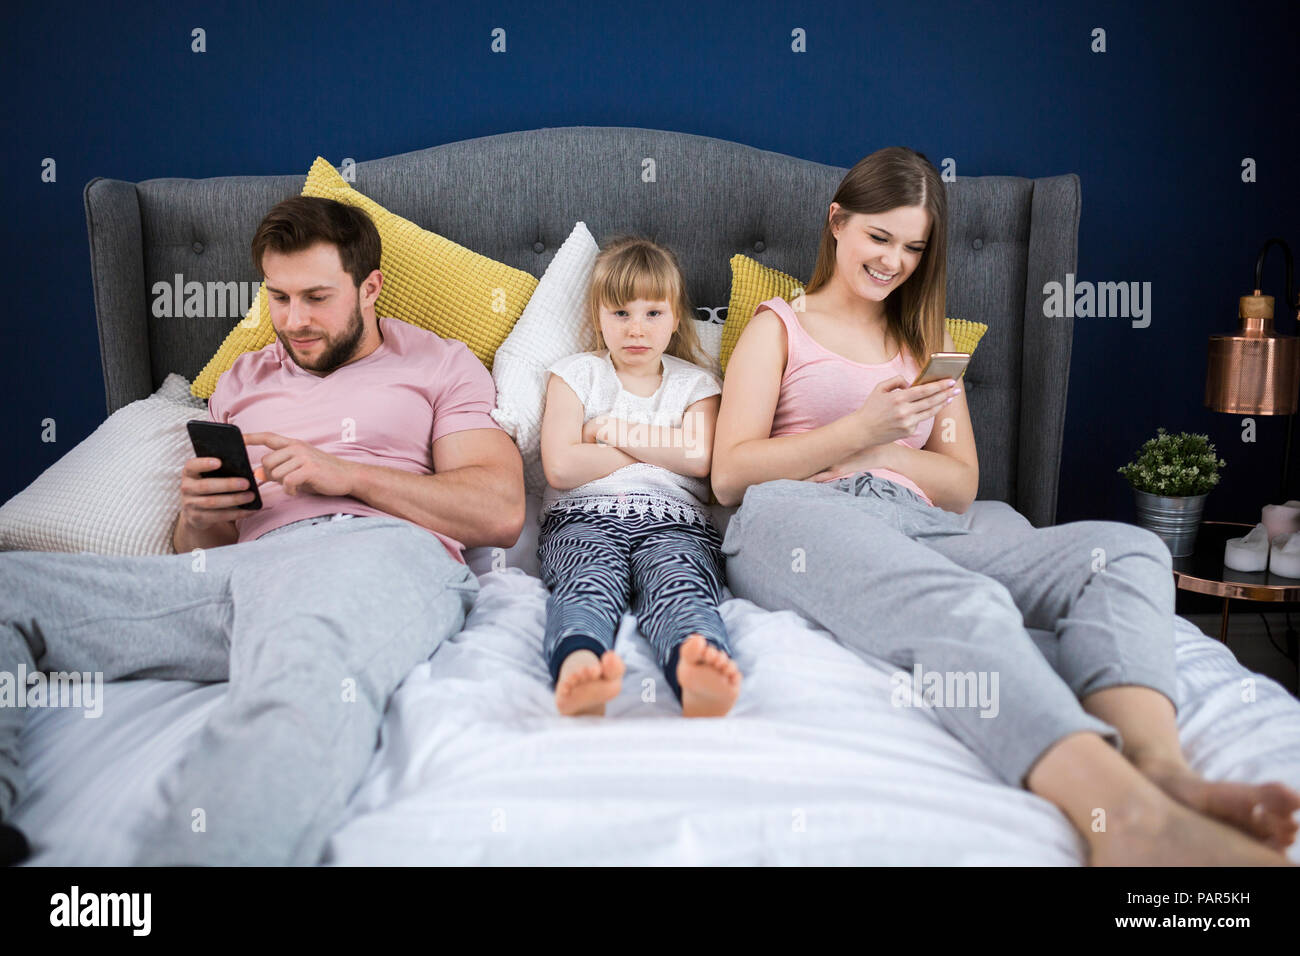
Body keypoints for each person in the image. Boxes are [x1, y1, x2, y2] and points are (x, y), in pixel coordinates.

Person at [710, 146, 1300, 865]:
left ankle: (1160, 768)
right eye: (879, 237)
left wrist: (879, 451)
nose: (894, 261)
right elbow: (731, 475)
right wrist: (853, 433)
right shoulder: (779, 327)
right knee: (963, 602)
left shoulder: (930, 344)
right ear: (838, 222)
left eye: (913, 247)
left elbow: (960, 481)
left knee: (1128, 552)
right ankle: (1121, 814)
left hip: (918, 518)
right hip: (796, 519)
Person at [0, 196, 525, 865]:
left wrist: (348, 475)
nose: (294, 320)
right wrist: (200, 517)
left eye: (316, 296)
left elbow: (500, 509)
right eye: (277, 296)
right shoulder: (242, 378)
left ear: (371, 288)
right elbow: (204, 550)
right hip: (240, 572)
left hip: (371, 552)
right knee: (8, 586)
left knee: (299, 678)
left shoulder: (440, 364)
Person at [537, 236, 740, 717]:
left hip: (676, 523)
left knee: (681, 582)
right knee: (585, 580)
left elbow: (698, 458)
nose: (636, 329)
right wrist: (654, 453)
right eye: (620, 313)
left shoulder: (697, 383)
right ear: (598, 315)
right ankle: (579, 665)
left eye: (653, 313)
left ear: (675, 317)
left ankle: (696, 669)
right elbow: (562, 466)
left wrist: (608, 433)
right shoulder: (574, 374)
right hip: (580, 518)